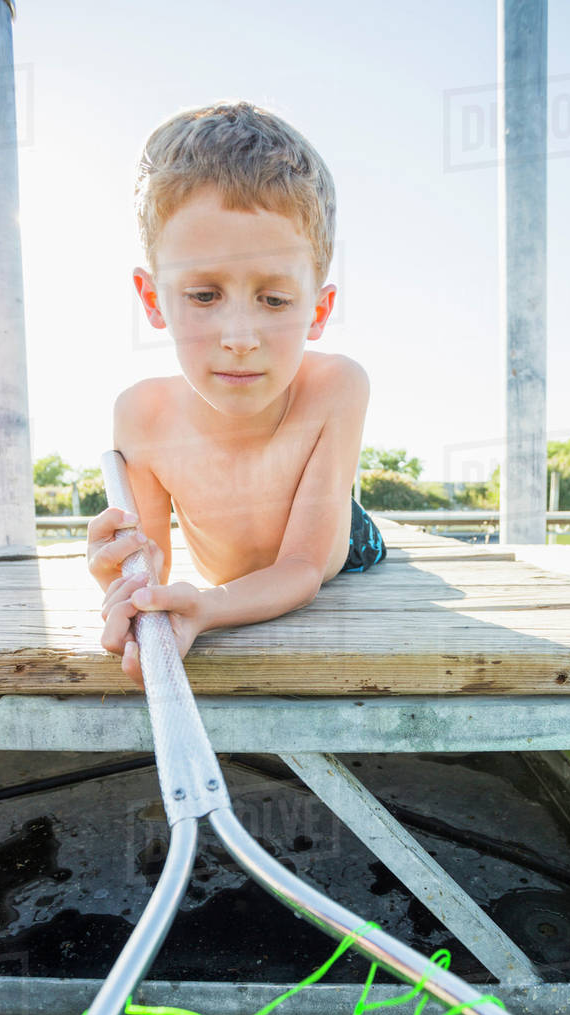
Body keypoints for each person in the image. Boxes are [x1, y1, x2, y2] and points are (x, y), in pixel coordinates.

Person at [87, 101, 386, 686]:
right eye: (203, 296)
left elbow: (302, 568)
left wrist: (210, 607)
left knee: (368, 551)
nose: (240, 338)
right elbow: (154, 566)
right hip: (248, 568)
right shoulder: (141, 415)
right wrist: (126, 588)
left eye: (274, 301)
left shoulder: (335, 386)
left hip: (343, 546)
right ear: (153, 300)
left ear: (318, 310)